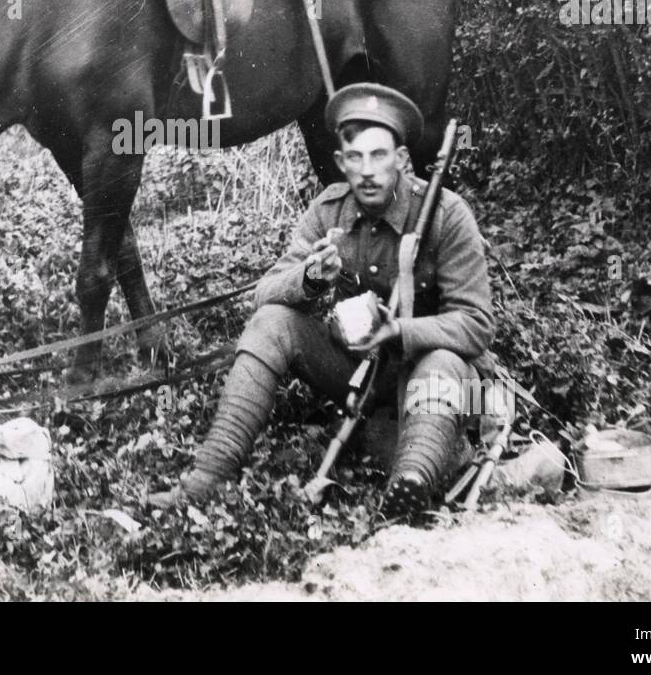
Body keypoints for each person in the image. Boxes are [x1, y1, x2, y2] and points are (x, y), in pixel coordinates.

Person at [152, 84, 497, 519]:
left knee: (442, 364)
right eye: (355, 158)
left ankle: (410, 485)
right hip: (357, 372)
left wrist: (401, 331)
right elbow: (265, 294)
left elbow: (476, 323)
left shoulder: (447, 214)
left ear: (403, 160)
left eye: (379, 156)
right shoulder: (328, 211)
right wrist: (311, 278)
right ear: (340, 162)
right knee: (271, 322)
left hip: (429, 374)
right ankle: (208, 478)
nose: (367, 171)